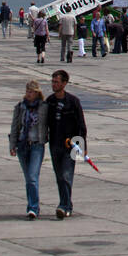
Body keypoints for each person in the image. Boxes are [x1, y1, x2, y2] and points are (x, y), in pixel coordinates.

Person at [46, 70, 86, 219]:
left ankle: (64, 206)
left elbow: (81, 125)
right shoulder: (50, 101)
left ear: (64, 83)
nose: (54, 84)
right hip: (55, 144)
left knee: (66, 175)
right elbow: (44, 123)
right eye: (53, 81)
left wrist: (81, 147)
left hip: (71, 146)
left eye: (56, 82)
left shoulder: (73, 101)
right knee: (59, 177)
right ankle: (66, 204)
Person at [10, 80, 49, 219]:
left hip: (37, 145)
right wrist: (12, 145)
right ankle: (32, 206)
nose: (28, 94)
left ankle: (33, 207)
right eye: (27, 91)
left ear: (37, 93)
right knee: (28, 178)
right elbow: (15, 127)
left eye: (31, 92)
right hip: (23, 145)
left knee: (32, 177)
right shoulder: (21, 107)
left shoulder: (44, 107)